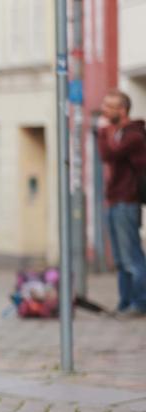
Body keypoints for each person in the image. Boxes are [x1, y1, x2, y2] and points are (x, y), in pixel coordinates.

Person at [96, 89, 146, 316]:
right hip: (116, 200)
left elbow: (109, 155)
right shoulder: (118, 134)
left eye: (109, 106)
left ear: (122, 110)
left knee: (132, 256)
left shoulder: (133, 136)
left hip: (127, 201)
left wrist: (102, 132)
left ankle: (140, 303)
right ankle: (125, 302)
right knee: (120, 258)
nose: (104, 110)